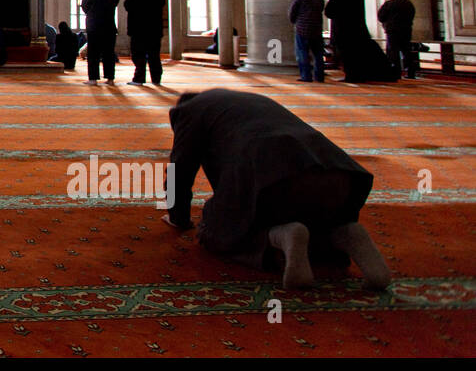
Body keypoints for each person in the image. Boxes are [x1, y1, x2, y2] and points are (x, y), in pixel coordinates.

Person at [164, 89, 391, 291]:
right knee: (309, 215)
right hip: (340, 177)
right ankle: (343, 233)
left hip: (277, 184)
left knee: (213, 229)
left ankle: (279, 239)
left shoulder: (188, 112)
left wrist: (178, 218)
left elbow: (179, 170)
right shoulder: (246, 101)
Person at [324, 0, 395, 82]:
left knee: (347, 55)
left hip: (343, 31)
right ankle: (361, 75)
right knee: (358, 53)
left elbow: (328, 13)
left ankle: (351, 76)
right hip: (358, 29)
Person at [80, 0, 120, 85]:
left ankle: (93, 78)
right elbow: (115, 4)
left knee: (93, 52)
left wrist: (92, 15)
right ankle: (110, 78)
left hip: (94, 25)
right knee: (109, 52)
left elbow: (84, 5)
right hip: (108, 24)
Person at [123, 0, 166, 86]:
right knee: (154, 55)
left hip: (138, 30)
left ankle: (139, 78)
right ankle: (156, 79)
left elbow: (127, 6)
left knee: (138, 55)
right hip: (154, 30)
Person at [378, 0, 418, 80]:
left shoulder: (389, 4)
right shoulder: (409, 4)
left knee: (393, 52)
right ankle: (410, 72)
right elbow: (412, 16)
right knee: (406, 51)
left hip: (392, 31)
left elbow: (381, 16)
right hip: (406, 31)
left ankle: (396, 73)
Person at [288, 0, 326, 83]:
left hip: (302, 29)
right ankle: (319, 76)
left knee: (302, 53)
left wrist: (295, 22)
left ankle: (306, 76)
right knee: (318, 54)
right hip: (317, 29)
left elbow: (292, 13)